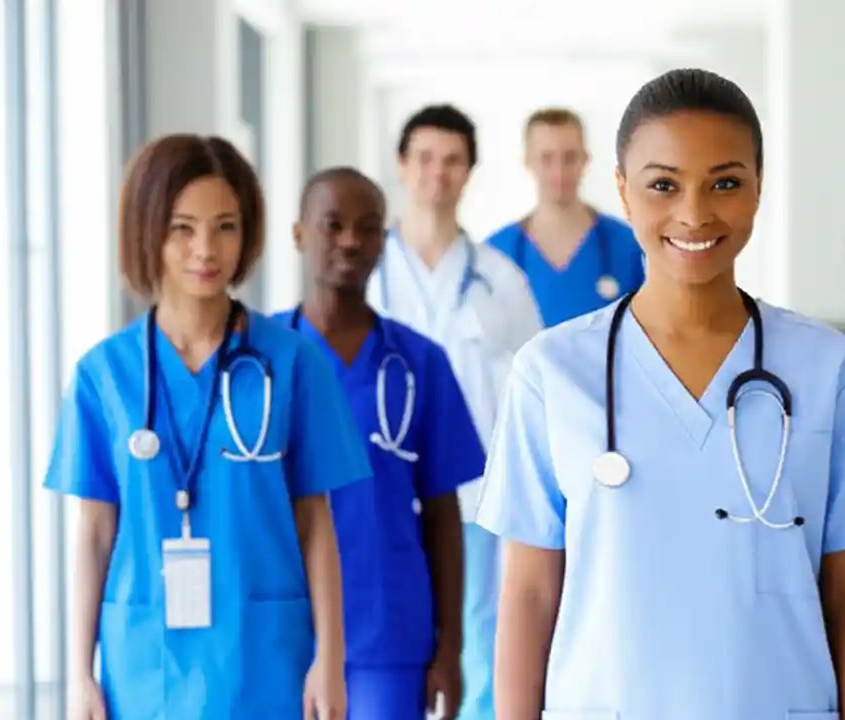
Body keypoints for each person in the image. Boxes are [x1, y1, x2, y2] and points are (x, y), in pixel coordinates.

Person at [476, 68, 845, 720]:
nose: (694, 213)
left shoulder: (830, 371)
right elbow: (529, 594)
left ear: (759, 188)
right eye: (663, 185)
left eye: (726, 183)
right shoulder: (552, 374)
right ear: (623, 193)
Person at [45, 134, 370, 720]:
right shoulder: (105, 375)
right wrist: (78, 676)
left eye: (225, 226)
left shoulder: (291, 364)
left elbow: (315, 520)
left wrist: (330, 658)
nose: (206, 249)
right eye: (182, 228)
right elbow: (95, 532)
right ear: (148, 232)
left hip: (263, 657)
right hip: (144, 664)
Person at [280, 166, 487, 719]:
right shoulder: (262, 362)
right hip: (282, 630)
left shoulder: (419, 362)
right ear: (299, 233)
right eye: (333, 225)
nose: (350, 240)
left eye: (367, 227)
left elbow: (443, 515)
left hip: (389, 633)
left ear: (384, 239)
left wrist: (451, 647)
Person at [368, 104, 543, 720]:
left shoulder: (502, 280)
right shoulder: (365, 272)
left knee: (478, 639)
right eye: (424, 159)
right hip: (379, 494)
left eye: (451, 161)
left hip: (475, 497)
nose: (436, 174)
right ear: (401, 165)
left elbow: (534, 396)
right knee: (383, 641)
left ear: (469, 172)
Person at [486, 108, 645, 327]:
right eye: (546, 158)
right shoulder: (497, 253)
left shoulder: (628, 246)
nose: (559, 171)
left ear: (585, 159)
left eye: (569, 157)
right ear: (528, 161)